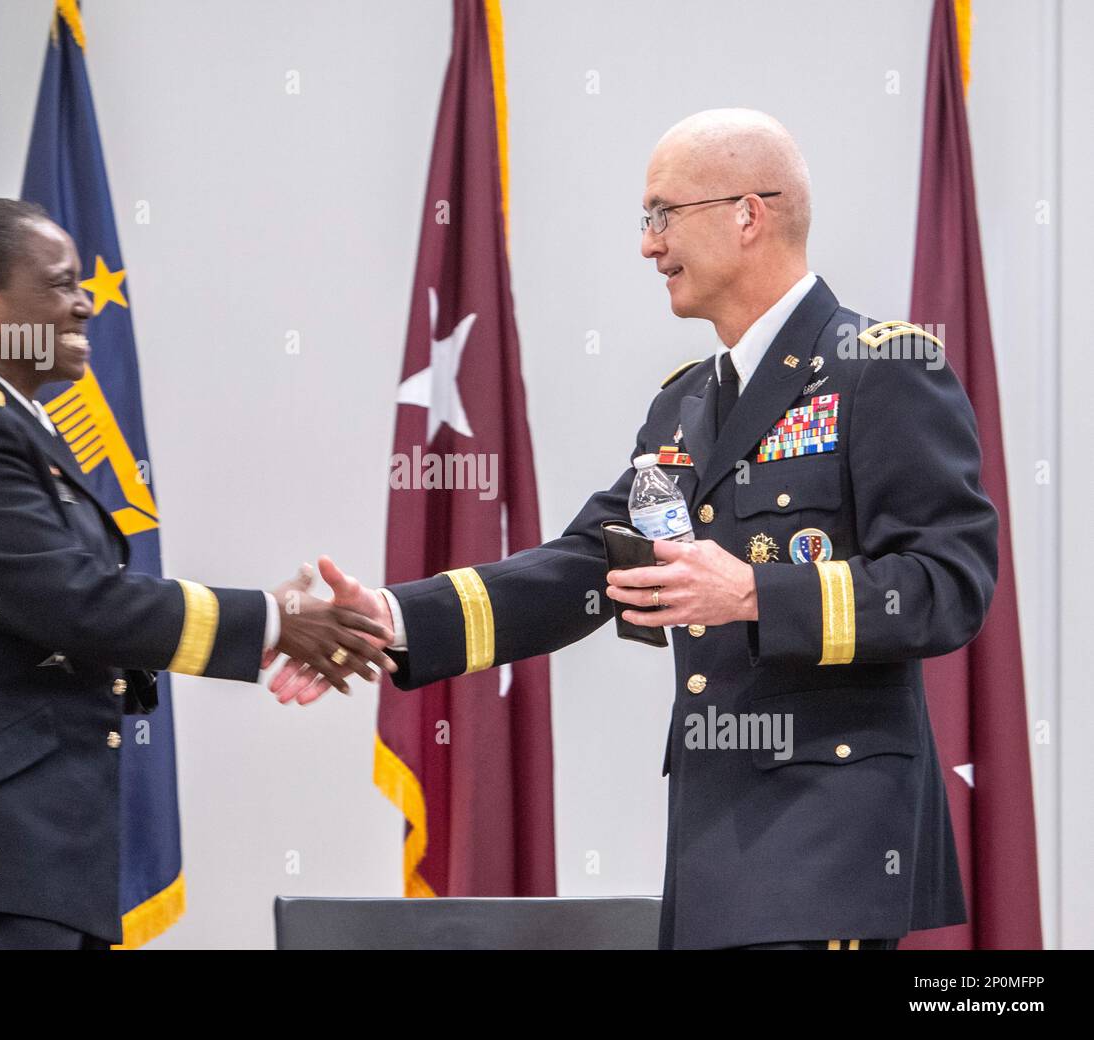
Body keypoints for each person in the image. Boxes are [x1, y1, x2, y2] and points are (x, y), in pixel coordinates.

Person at [268, 109, 999, 951]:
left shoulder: (881, 368)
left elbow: (949, 586)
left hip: (828, 846)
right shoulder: (683, 401)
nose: (647, 246)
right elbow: (589, 566)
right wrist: (393, 618)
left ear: (747, 214)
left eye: (662, 215)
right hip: (714, 844)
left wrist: (757, 593)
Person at [0, 195, 395, 950]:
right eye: (59, 283)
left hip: (36, 846)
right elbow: (69, 602)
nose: (85, 305)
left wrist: (266, 623)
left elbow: (77, 608)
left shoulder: (16, 427)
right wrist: (275, 623)